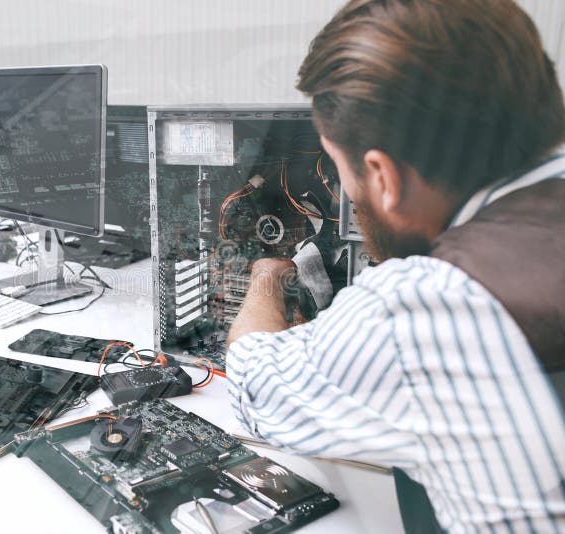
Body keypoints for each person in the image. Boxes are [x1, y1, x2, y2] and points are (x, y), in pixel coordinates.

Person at [226, 0, 565, 531]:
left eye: (344, 175)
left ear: (382, 176)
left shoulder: (426, 306)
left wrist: (266, 273)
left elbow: (254, 386)